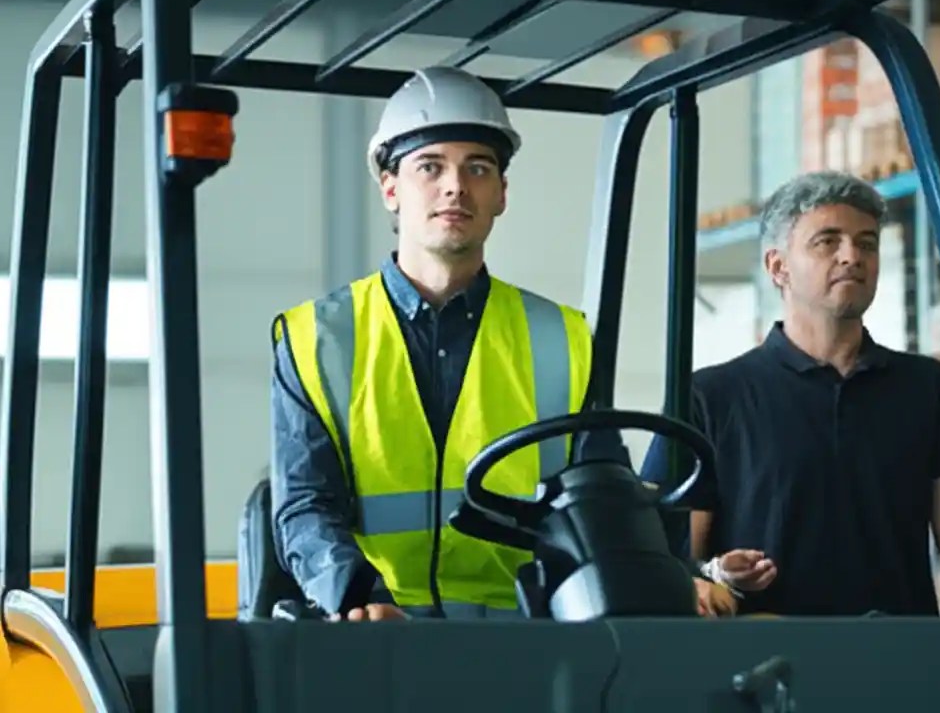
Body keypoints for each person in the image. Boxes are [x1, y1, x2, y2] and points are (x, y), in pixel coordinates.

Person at [268, 66, 735, 622]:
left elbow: (598, 493)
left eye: (478, 168)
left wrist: (677, 574)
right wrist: (358, 598)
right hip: (375, 633)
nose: (455, 186)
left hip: (528, 639)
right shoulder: (316, 338)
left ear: (501, 194)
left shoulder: (560, 337)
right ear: (391, 188)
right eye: (430, 167)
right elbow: (305, 505)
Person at [640, 170, 940, 617]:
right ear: (779, 267)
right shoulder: (710, 397)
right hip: (766, 665)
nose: (852, 256)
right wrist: (715, 573)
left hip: (899, 659)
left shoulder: (925, 386)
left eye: (867, 243)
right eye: (827, 242)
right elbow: (672, 563)